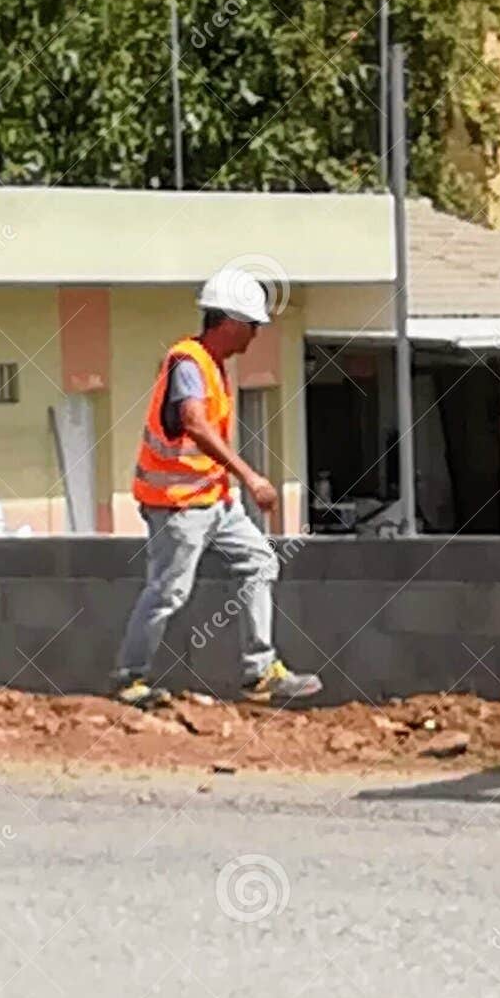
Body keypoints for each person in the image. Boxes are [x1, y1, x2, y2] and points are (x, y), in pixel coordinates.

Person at [112, 270, 322, 709]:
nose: (255, 334)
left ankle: (259, 672)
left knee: (260, 561)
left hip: (214, 501)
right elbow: (193, 423)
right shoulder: (188, 363)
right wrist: (250, 476)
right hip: (177, 506)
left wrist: (228, 487)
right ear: (227, 321)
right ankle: (131, 678)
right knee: (168, 591)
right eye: (252, 325)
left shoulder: (215, 368)